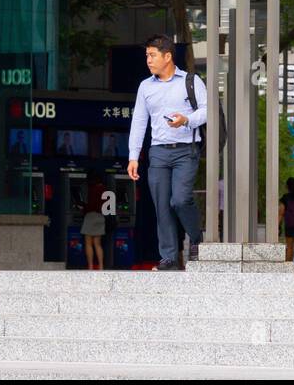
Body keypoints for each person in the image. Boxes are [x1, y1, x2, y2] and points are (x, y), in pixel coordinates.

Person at [127, 35, 208, 270]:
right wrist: (133, 156)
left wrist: (187, 120)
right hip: (158, 153)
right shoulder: (145, 86)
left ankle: (195, 237)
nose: (148, 60)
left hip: (186, 150)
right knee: (162, 206)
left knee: (180, 200)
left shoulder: (191, 81)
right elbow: (139, 122)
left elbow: (206, 111)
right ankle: (169, 258)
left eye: (152, 55)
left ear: (168, 56)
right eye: (147, 56)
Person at [81, 170, 107, 270]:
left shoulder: (93, 189)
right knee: (97, 244)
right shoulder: (105, 189)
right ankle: (101, 266)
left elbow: (90, 205)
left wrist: (82, 208)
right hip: (101, 217)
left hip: (91, 216)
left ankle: (91, 266)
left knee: (88, 243)